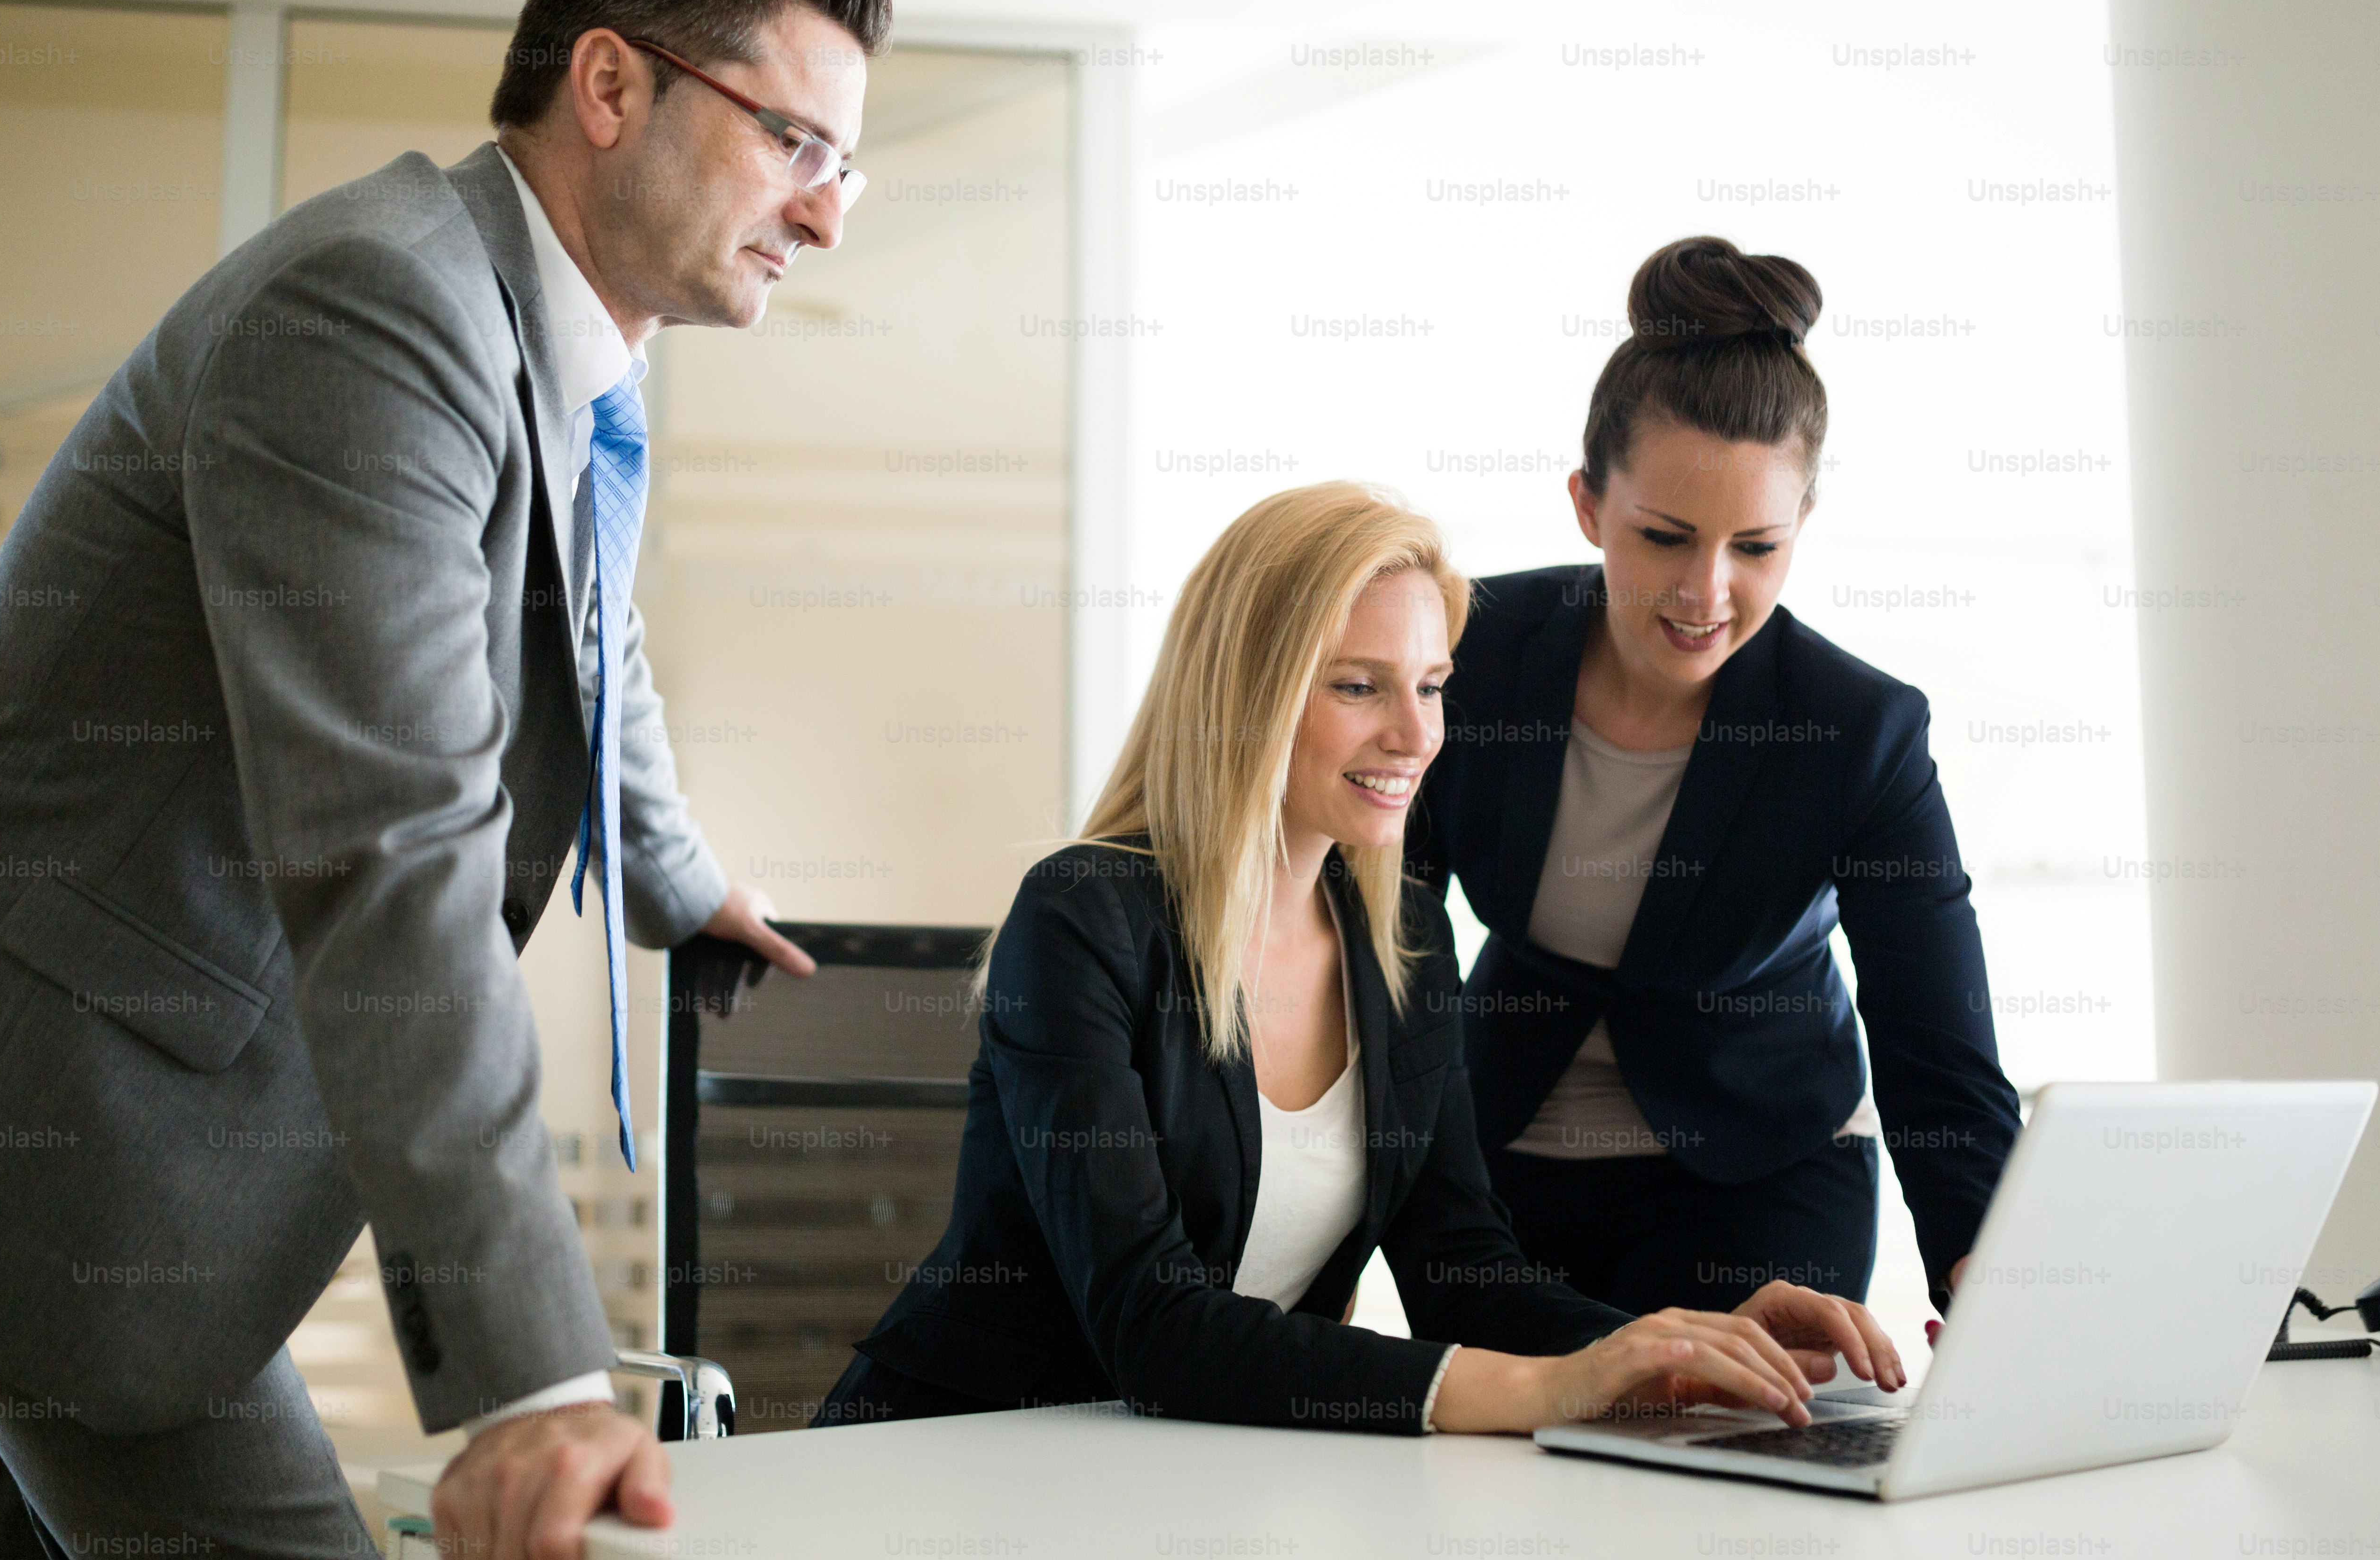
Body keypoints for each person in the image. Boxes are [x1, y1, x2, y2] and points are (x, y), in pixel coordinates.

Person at [0, 0, 887, 1560]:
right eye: (796, 142)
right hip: (35, 1110)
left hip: (77, 1080)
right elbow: (390, 856)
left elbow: (597, 643)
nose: (827, 214)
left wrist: (678, 877)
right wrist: (528, 1388)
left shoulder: (567, 358)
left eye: (849, 166)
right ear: (612, 87)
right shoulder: (378, 316)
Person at [820, 483, 1905, 1437]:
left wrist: (1672, 1353)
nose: (1418, 734)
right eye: (1358, 687)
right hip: (950, 1463)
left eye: (1432, 686)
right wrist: (1542, 1393)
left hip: (1171, 1488)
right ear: (1247, 692)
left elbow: (1464, 1274)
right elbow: (1152, 1327)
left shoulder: (1404, 943)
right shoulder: (1084, 920)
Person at [1408, 236, 2022, 1323]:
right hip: (1498, 1172)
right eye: (1665, 538)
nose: (1708, 592)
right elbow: (1376, 931)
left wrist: (1985, 1264)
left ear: (1802, 531)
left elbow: (1935, 1031)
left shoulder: (1858, 729)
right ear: (1589, 505)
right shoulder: (1467, 652)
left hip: (1762, 1176)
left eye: (1756, 548)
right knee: (1496, 1467)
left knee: (1720, 1456)